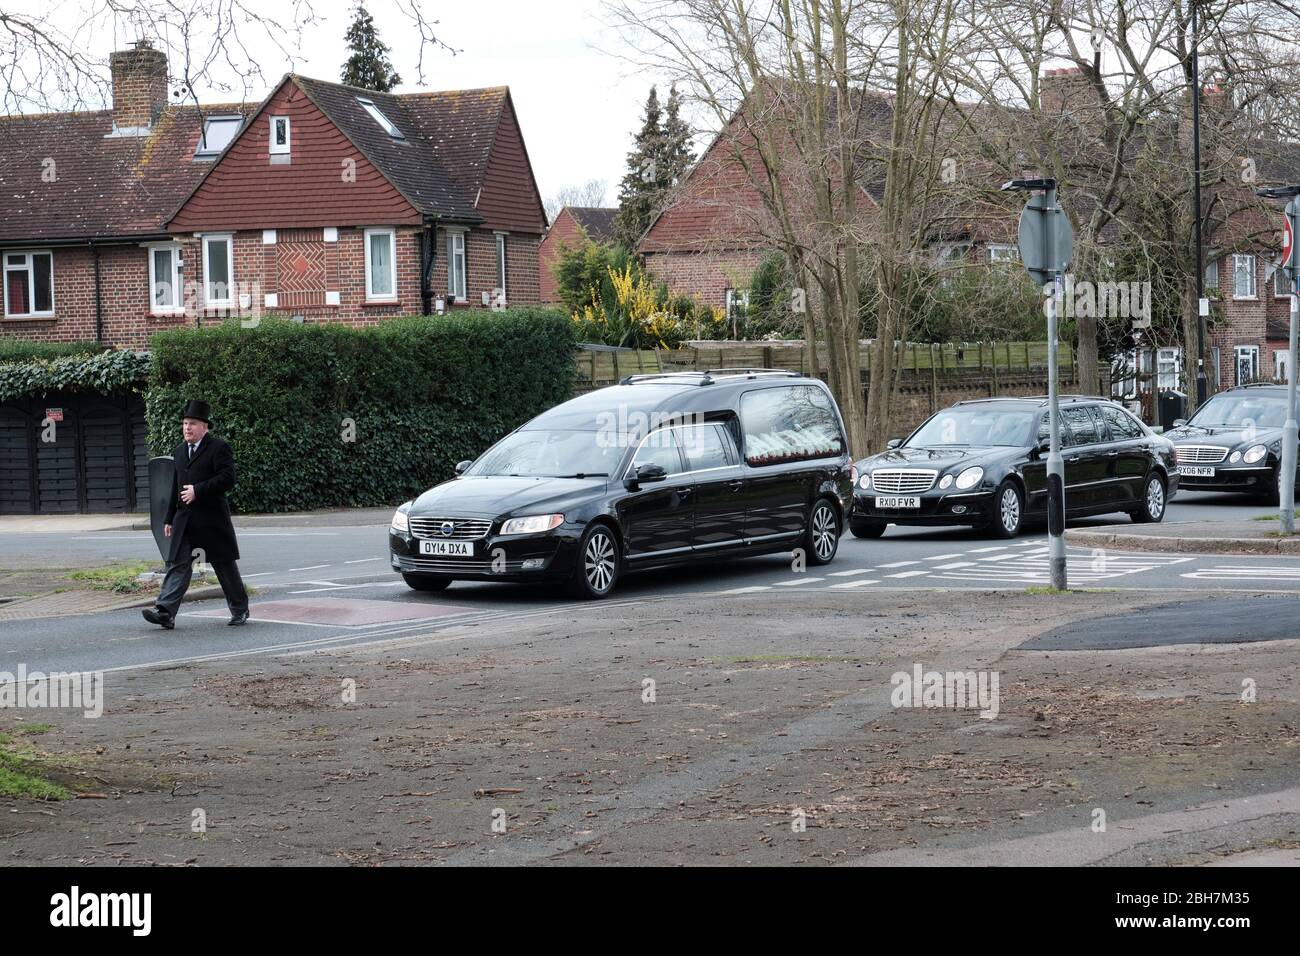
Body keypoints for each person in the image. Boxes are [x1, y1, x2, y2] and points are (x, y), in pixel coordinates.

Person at [142, 400, 250, 629]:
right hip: (185, 521)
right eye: (184, 423)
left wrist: (198, 490)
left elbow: (228, 478)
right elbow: (176, 486)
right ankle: (165, 611)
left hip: (211, 520)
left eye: (192, 423)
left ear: (204, 427)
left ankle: (239, 610)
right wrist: (169, 518)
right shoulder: (180, 451)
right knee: (178, 564)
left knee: (224, 565)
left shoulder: (219, 447)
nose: (187, 428)